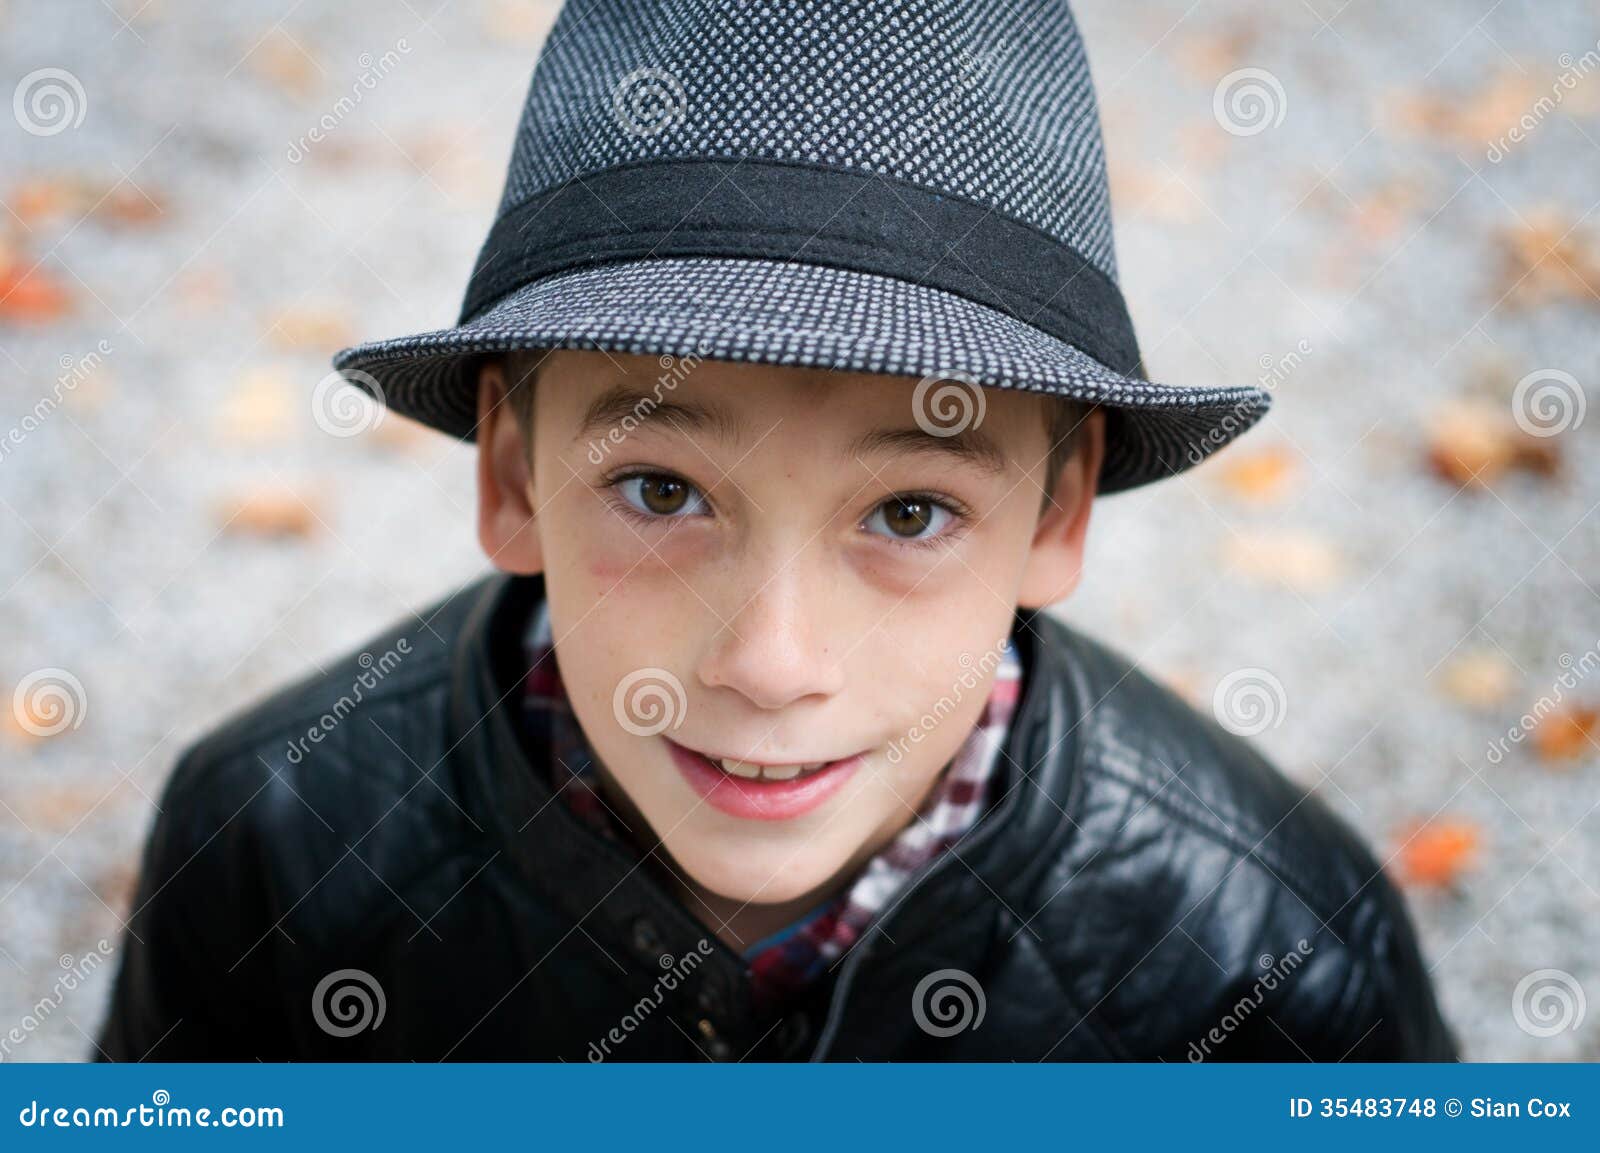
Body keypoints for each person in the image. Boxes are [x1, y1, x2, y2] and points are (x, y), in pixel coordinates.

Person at [98, 0, 1456, 1061]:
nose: (771, 661)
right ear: (512, 472)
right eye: (663, 490)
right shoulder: (270, 843)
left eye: (910, 511)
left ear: (1059, 505)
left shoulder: (1274, 952)